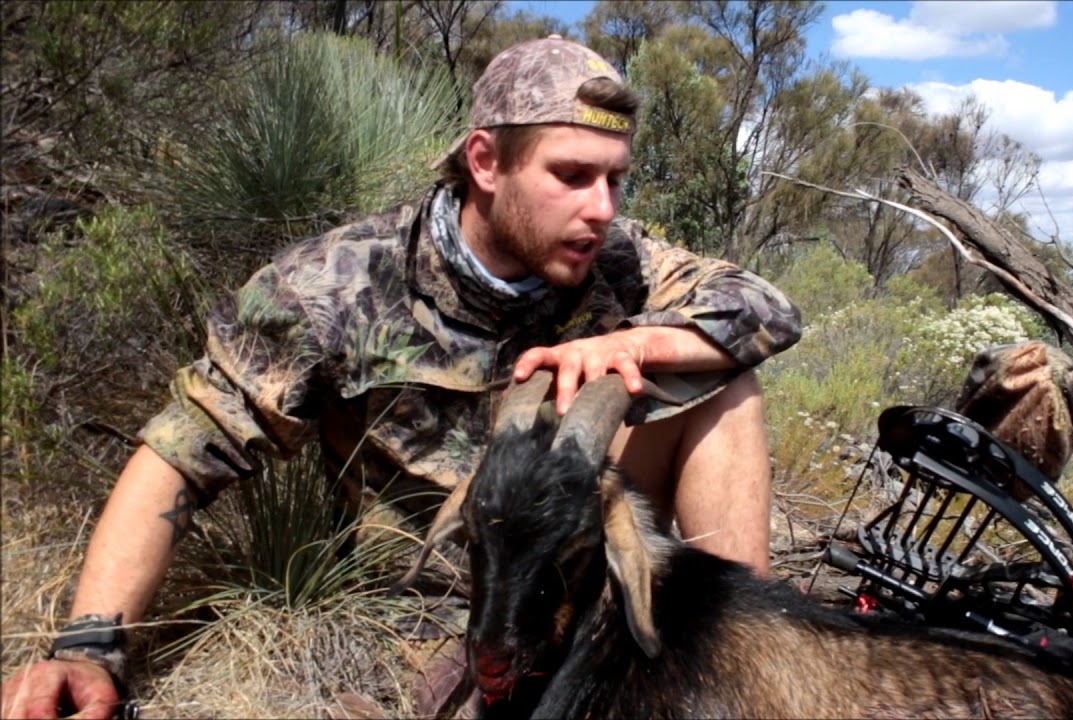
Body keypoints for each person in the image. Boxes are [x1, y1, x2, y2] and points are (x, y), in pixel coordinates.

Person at [1, 35, 801, 719]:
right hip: (439, 601)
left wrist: (631, 349)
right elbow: (181, 451)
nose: (601, 207)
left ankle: (737, 665)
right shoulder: (333, 289)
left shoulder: (620, 260)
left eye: (615, 179)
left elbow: (766, 309)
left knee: (726, 384)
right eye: (571, 175)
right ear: (486, 161)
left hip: (585, 580)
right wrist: (88, 648)